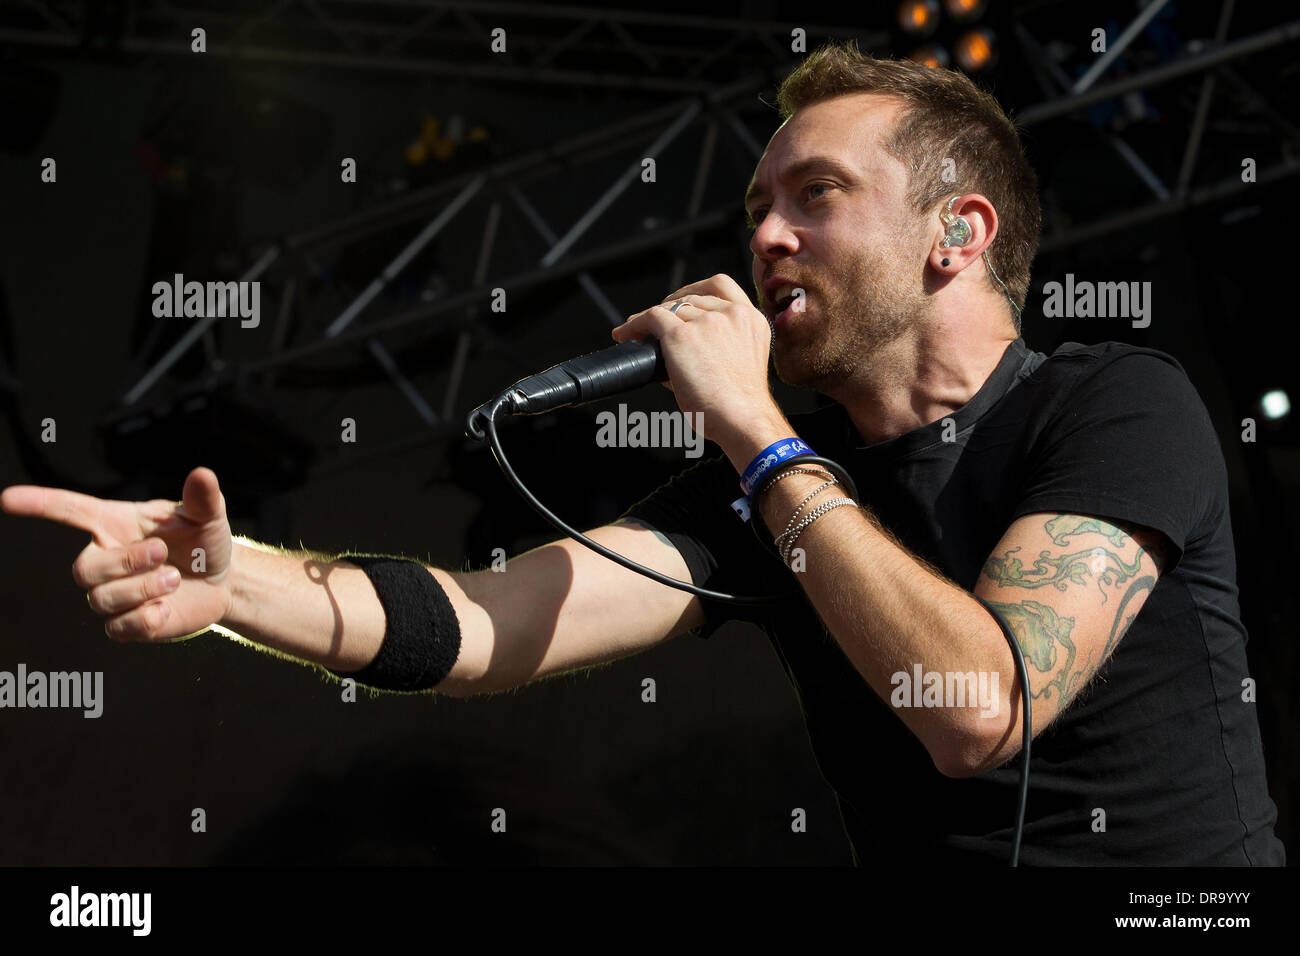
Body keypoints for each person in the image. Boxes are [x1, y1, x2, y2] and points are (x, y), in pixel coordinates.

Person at [1, 42, 1284, 865]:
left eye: (816, 197)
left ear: (958, 231)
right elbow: (484, 620)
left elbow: (979, 709)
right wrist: (241, 586)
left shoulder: (1117, 403)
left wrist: (755, 433)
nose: (765, 237)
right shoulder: (774, 487)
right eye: (756, 210)